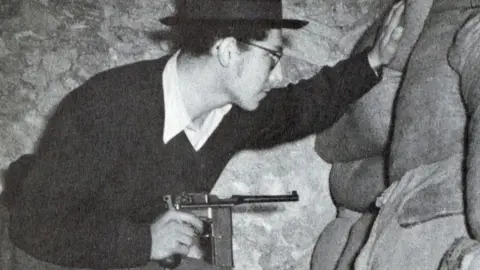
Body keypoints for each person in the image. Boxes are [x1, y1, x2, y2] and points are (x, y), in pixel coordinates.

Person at [1, 0, 405, 269]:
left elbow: (298, 108)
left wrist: (371, 62)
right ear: (228, 51)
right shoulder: (103, 109)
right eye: (274, 58)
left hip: (116, 250)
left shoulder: (230, 113)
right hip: (36, 252)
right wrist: (145, 243)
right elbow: (34, 226)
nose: (278, 74)